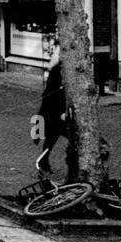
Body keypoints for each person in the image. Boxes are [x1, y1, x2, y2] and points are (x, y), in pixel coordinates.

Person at [35, 46, 75, 177]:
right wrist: (61, 112)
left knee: (51, 139)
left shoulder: (61, 70)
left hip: (55, 113)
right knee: (71, 137)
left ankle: (43, 163)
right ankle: (44, 163)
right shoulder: (58, 72)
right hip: (56, 114)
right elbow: (54, 95)